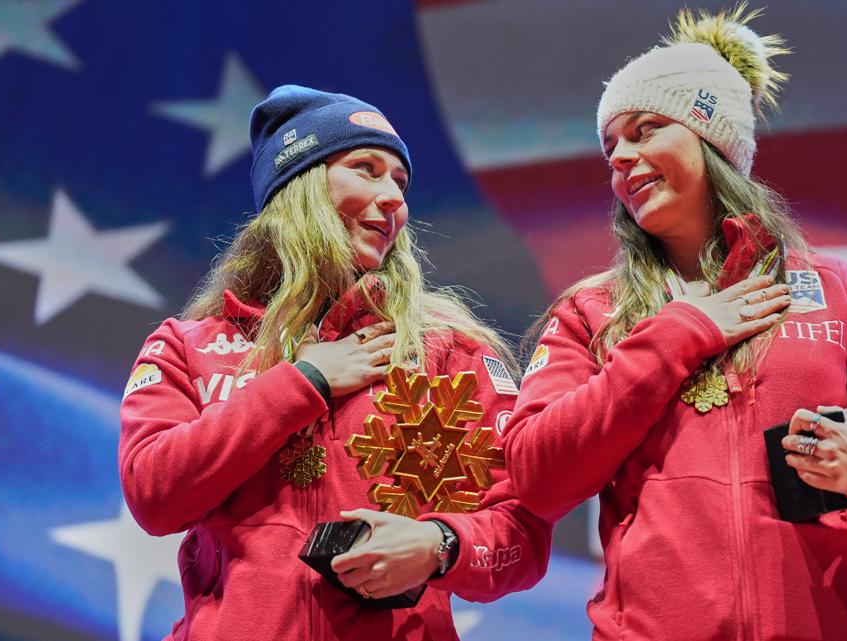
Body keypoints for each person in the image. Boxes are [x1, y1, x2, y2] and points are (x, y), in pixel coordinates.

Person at [503, 6, 847, 640]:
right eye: (610, 146)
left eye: (646, 129)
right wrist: (677, 334)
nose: (619, 160)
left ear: (712, 140)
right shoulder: (592, 312)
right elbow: (537, 479)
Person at [119, 85, 551, 641]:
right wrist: (303, 383)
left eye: (400, 181)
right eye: (366, 169)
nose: (394, 197)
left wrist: (441, 544)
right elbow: (154, 497)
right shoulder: (189, 346)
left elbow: (522, 533)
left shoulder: (451, 352)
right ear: (299, 189)